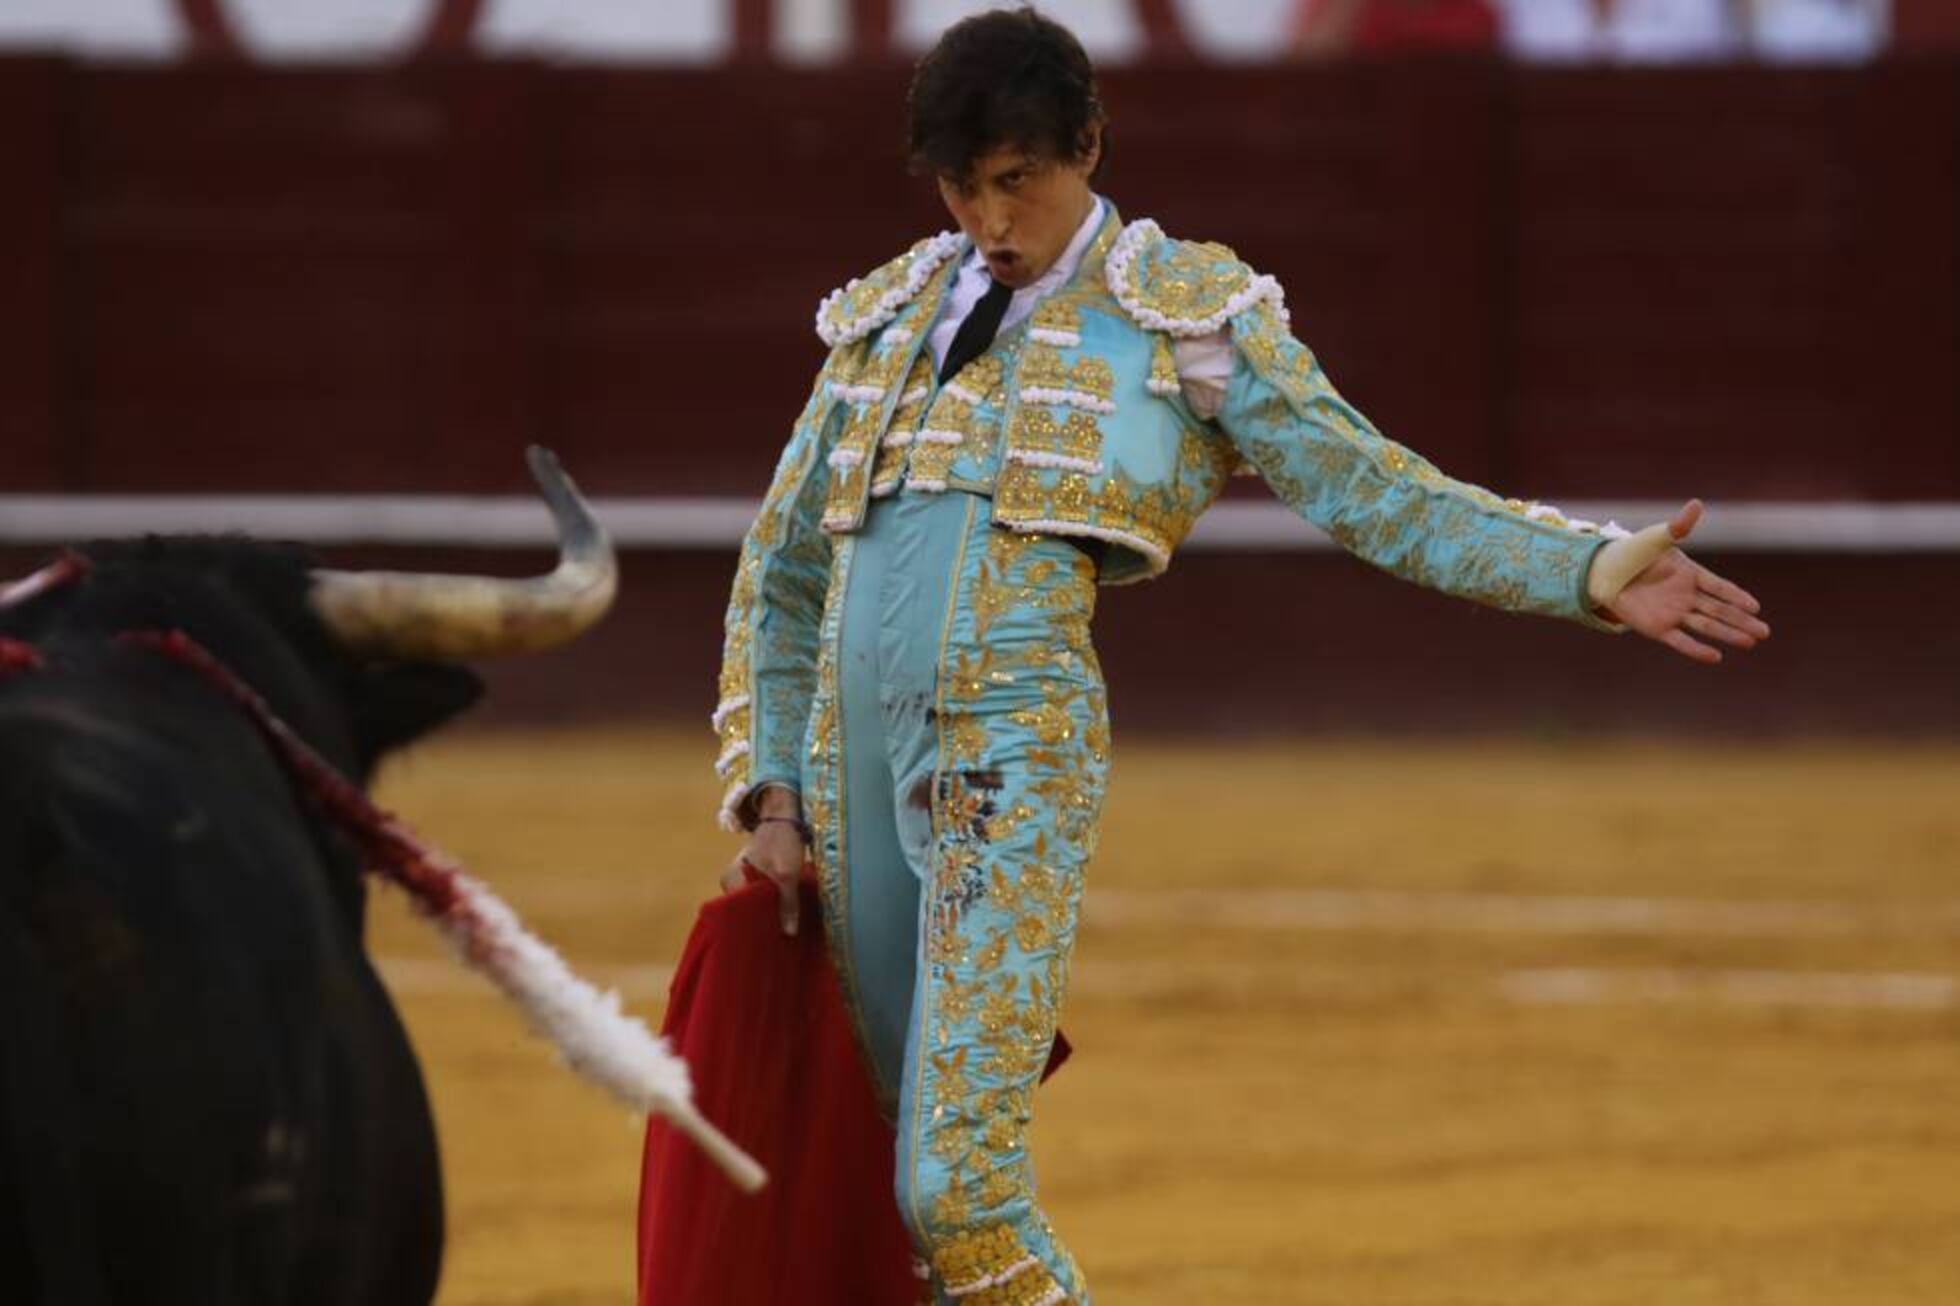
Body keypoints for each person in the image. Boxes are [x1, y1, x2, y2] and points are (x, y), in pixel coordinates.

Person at [709, 8, 1769, 1301]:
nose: (989, 220)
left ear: (1089, 146)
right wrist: (773, 789)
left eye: (1016, 182)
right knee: (893, 1182)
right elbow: (782, 574)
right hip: (848, 769)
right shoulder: (886, 320)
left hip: (1006, 766)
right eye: (959, 186)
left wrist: (1588, 570)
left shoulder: (1185, 317)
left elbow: (1379, 491)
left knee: (958, 1187)